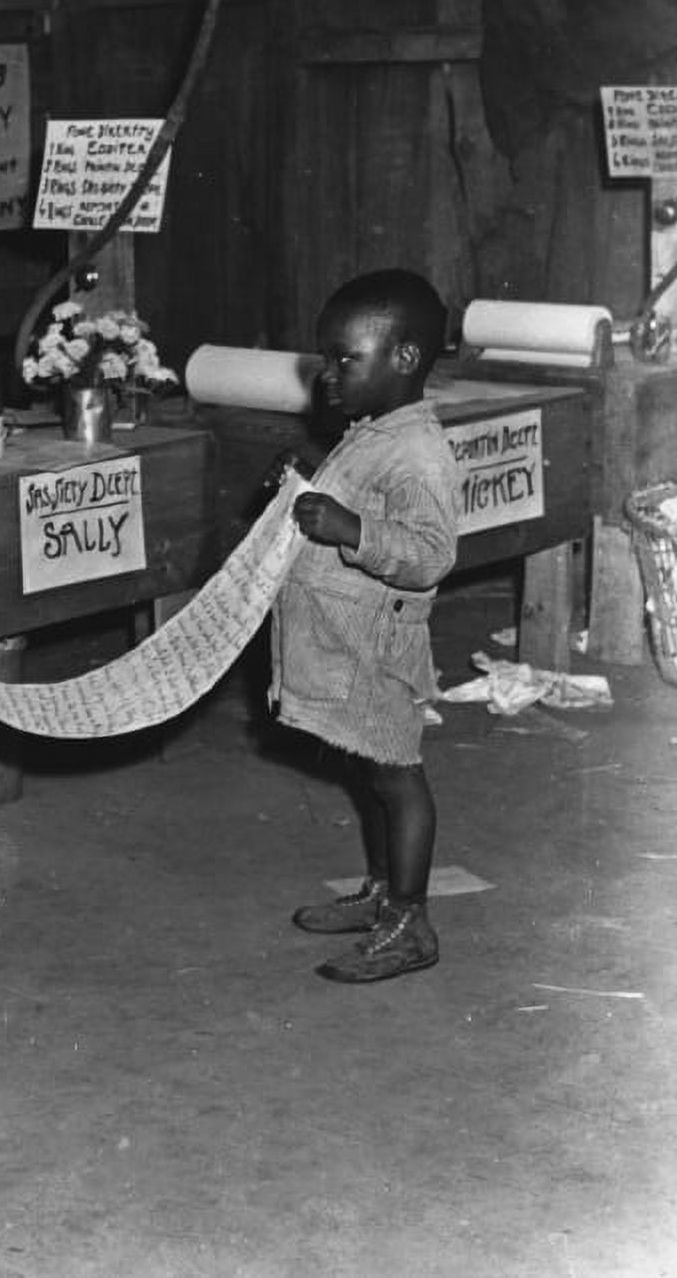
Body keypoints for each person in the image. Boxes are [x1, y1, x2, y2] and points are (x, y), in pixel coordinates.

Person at [274, 268, 457, 984]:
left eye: (345, 359)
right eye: (326, 358)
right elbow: (358, 490)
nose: (326, 374)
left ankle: (412, 921)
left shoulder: (421, 452)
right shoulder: (378, 429)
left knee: (397, 780)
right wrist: (310, 477)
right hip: (351, 646)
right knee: (372, 775)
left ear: (405, 359)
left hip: (381, 652)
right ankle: (384, 894)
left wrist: (351, 527)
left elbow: (431, 554)